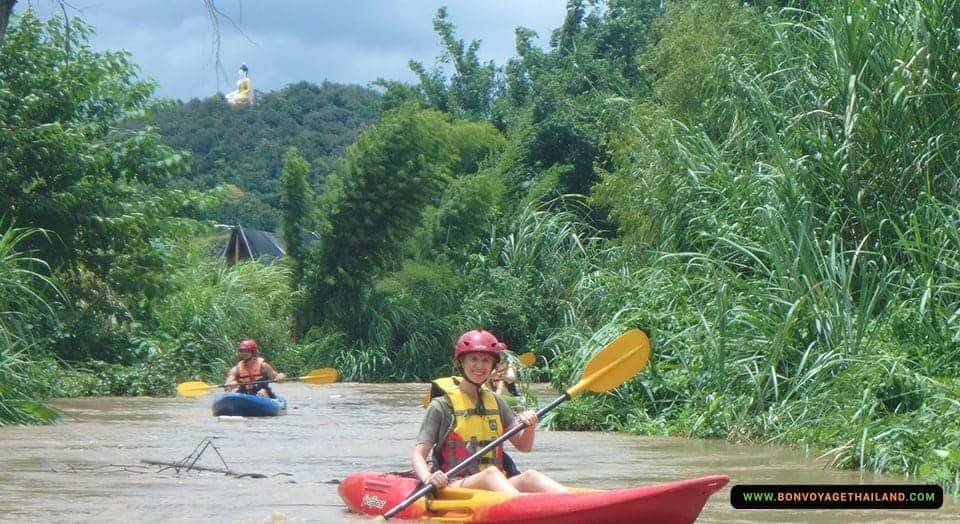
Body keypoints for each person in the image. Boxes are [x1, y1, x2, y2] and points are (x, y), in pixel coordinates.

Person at [412, 329, 567, 494]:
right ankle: (525, 509)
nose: (480, 366)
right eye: (473, 359)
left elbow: (524, 446)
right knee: (490, 474)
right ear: (460, 363)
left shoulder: (496, 402)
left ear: (493, 366)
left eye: (486, 360)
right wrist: (429, 478)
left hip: (496, 483)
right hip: (454, 484)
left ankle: (573, 504)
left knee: (530, 476)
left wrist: (530, 425)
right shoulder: (442, 406)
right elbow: (418, 455)